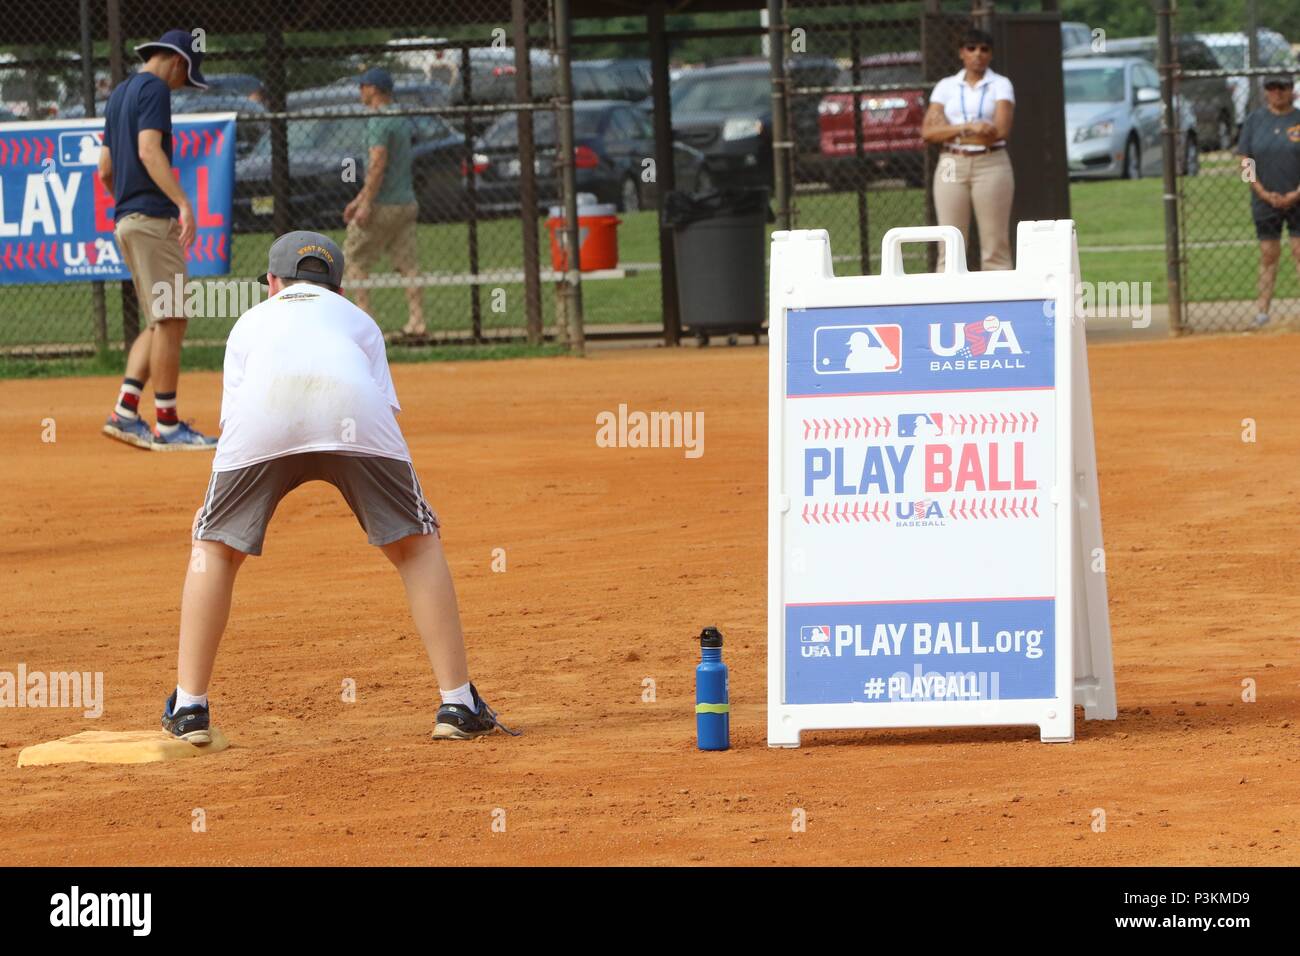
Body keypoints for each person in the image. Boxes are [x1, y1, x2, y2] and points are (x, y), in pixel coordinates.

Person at [160, 231, 516, 743]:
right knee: (416, 545)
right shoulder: (359, 320)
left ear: (274, 284)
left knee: (214, 548)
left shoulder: (249, 322)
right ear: (338, 291)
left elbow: (236, 412)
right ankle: (457, 704)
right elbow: (380, 403)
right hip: (355, 413)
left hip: (263, 418)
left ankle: (190, 708)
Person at [99, 29, 218, 450]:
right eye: (186, 76)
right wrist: (182, 203)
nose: (182, 84)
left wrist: (129, 206)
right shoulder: (154, 90)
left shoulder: (118, 95)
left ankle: (125, 413)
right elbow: (150, 151)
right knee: (172, 318)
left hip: (127, 220)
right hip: (150, 219)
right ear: (178, 60)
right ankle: (167, 424)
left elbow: (105, 170)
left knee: (158, 317)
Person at [342, 67, 426, 340]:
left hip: (383, 205)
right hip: (406, 203)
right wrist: (359, 198)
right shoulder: (399, 117)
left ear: (373, 89)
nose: (360, 92)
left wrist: (366, 203)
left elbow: (378, 164)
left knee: (354, 259)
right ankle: (417, 321)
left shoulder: (378, 119)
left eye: (362, 86)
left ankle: (365, 325)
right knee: (408, 264)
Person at [922, 27, 1016, 271]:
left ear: (991, 54)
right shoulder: (947, 86)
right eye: (971, 48)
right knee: (950, 241)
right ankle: (947, 305)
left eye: (984, 49)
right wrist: (968, 128)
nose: (978, 54)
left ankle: (999, 302)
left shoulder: (1000, 84)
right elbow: (929, 132)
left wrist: (951, 130)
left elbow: (1000, 130)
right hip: (952, 162)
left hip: (990, 161)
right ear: (961, 53)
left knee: (995, 244)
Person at [1237, 74, 1300, 328]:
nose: (1277, 92)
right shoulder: (1254, 121)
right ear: (1265, 91)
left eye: (1282, 87)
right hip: (1265, 198)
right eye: (1271, 87)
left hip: (1297, 196)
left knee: (1299, 251)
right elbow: (1245, 160)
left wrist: (1296, 193)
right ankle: (1262, 312)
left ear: (1292, 89)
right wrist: (1261, 191)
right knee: (1268, 253)